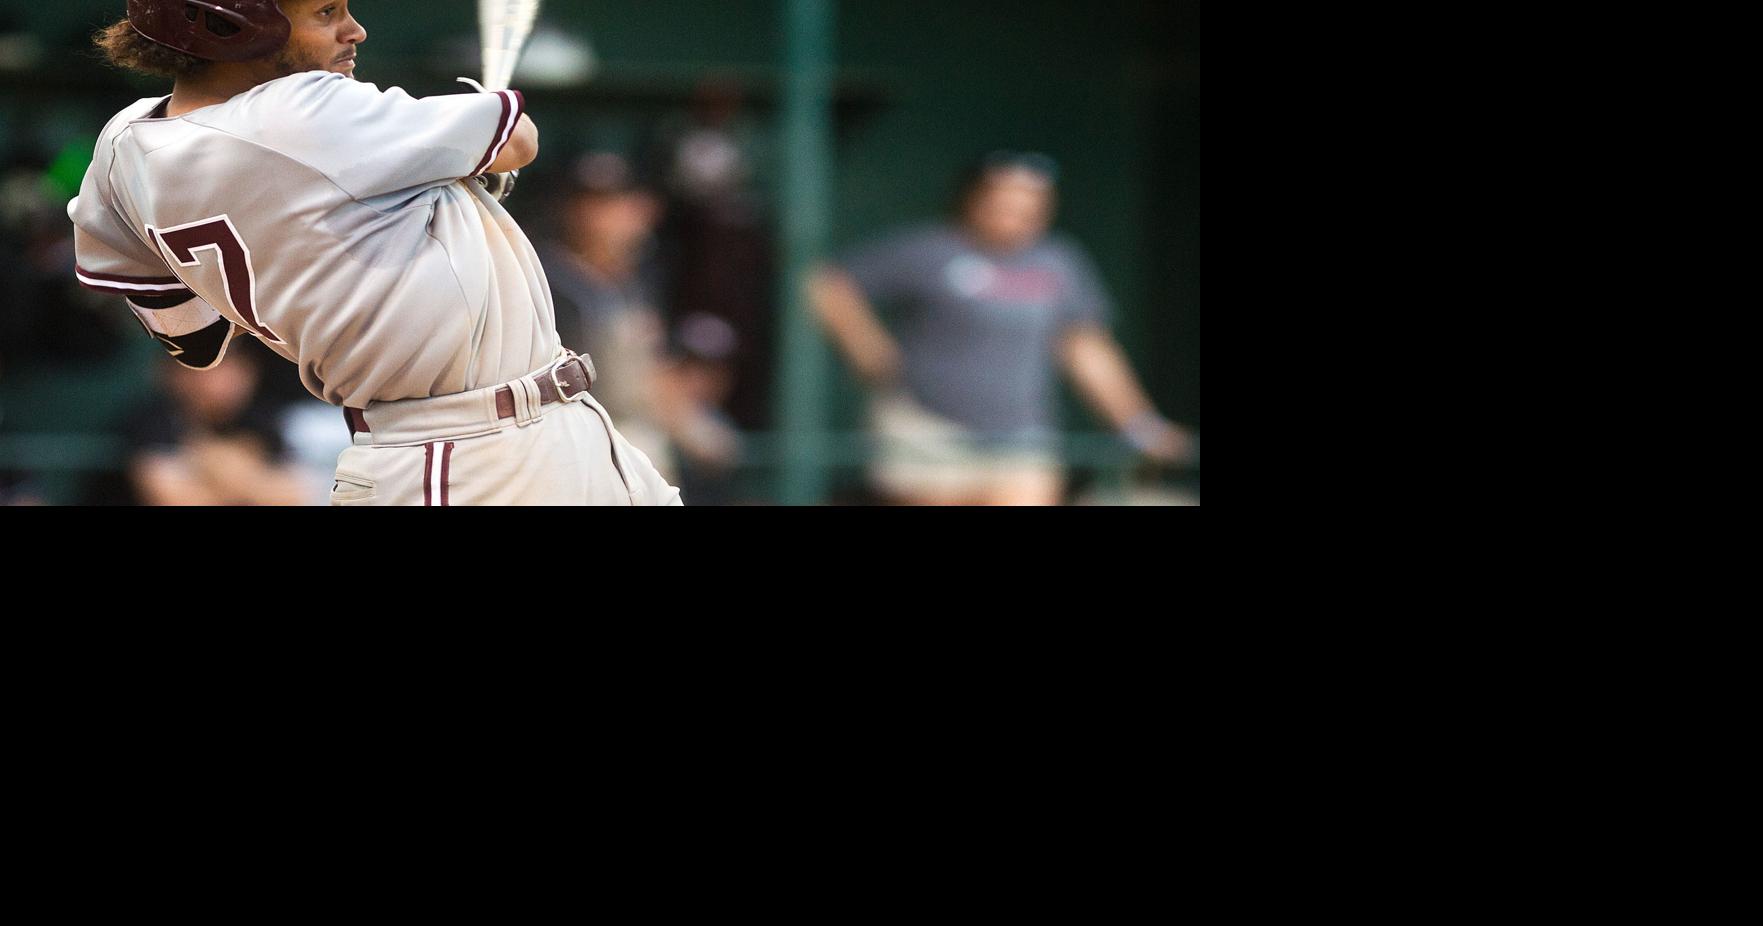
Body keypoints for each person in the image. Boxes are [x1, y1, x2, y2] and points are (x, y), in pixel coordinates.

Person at [68, 0, 681, 505]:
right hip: (467, 454)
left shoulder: (122, 150)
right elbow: (517, 138)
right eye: (325, 12)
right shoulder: (304, 108)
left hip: (532, 434)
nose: (353, 29)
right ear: (230, 24)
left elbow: (193, 339)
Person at [808, 151, 1191, 506]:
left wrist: (1138, 424)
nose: (1015, 212)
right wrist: (870, 352)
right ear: (973, 198)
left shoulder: (1058, 262)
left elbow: (1086, 348)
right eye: (1003, 200)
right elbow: (827, 285)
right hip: (928, 426)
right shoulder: (929, 249)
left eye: (1030, 203)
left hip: (1021, 433)